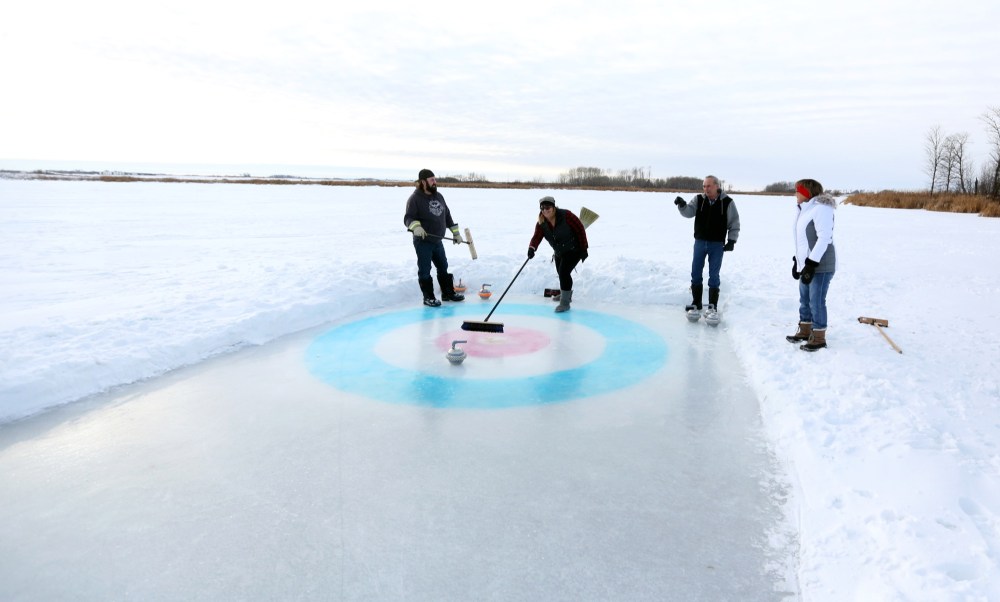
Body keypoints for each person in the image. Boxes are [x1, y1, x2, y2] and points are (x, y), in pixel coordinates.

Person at [674, 175, 740, 312]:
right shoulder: (699, 199)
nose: (706, 189)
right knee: (695, 272)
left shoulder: (727, 202)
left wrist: (732, 240)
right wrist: (682, 205)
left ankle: (712, 306)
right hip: (700, 242)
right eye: (704, 186)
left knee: (714, 275)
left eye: (708, 186)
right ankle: (696, 302)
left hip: (717, 245)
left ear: (717, 186)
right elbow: (689, 212)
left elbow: (734, 223)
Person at [786, 179, 837, 351]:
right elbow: (802, 242)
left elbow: (824, 238)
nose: (795, 194)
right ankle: (806, 330)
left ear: (806, 192)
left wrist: (811, 264)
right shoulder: (805, 210)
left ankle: (819, 336)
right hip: (808, 264)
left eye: (797, 190)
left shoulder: (822, 209)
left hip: (821, 265)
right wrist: (798, 263)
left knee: (816, 301)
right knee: (805, 300)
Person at [403, 169, 465, 307]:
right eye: (432, 180)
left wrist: (455, 233)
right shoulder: (415, 199)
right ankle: (428, 297)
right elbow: (408, 218)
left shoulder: (439, 196)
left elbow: (447, 216)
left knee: (443, 267)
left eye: (435, 179)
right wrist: (416, 227)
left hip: (438, 240)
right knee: (425, 270)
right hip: (423, 242)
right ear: (423, 182)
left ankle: (448, 293)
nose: (435, 182)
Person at [527, 196, 589, 313]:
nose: (545, 210)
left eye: (548, 207)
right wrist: (532, 248)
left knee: (564, 273)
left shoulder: (566, 216)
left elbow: (580, 229)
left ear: (553, 207)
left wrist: (584, 248)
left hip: (574, 249)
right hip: (559, 252)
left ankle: (565, 303)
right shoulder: (541, 223)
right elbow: (536, 237)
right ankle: (565, 295)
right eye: (543, 207)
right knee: (561, 273)